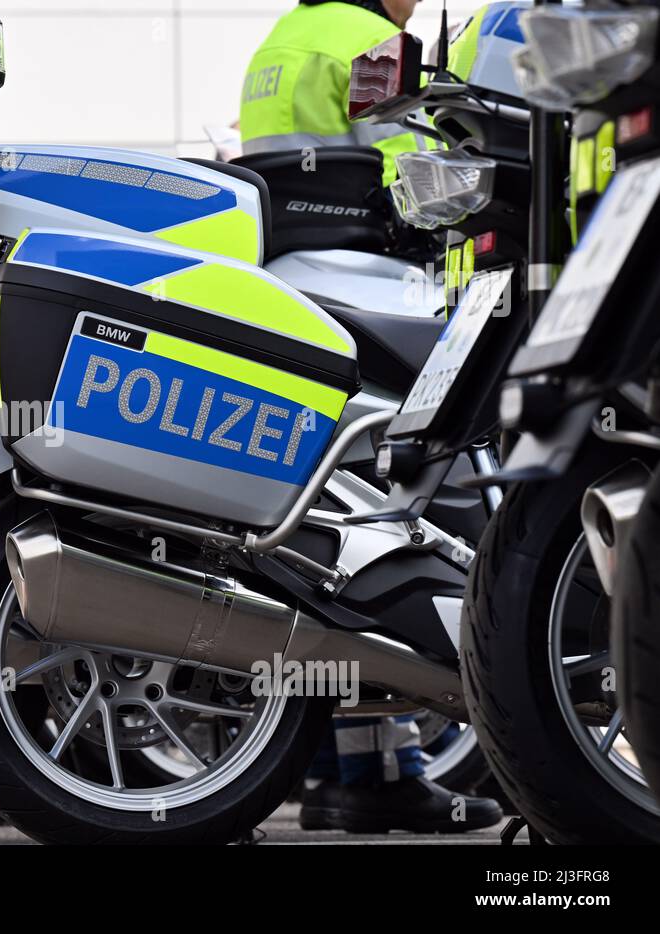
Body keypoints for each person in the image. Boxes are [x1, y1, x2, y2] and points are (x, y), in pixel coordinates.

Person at [240, 1, 503, 834]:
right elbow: (424, 176)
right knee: (399, 519)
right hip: (375, 281)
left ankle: (357, 774)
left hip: (291, 280)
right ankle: (377, 768)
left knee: (322, 534)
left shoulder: (280, 41)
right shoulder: (367, 41)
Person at [240, 0, 434, 186]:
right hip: (349, 214)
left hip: (271, 213)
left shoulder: (276, 39)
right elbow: (411, 166)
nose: (420, 2)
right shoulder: (377, 39)